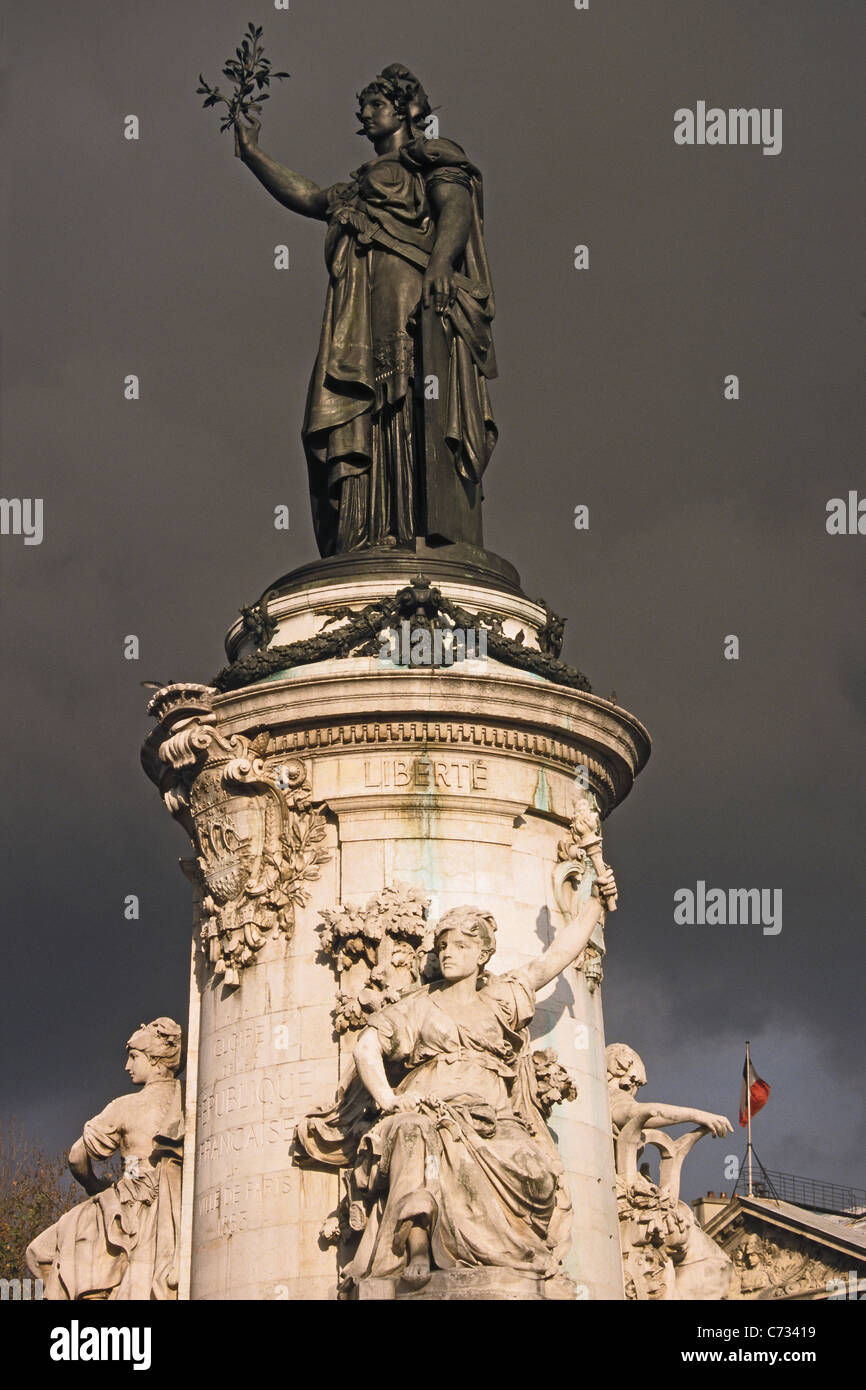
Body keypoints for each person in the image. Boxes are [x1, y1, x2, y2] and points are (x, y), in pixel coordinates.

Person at [297, 850, 617, 1292]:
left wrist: (595, 905)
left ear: (483, 954)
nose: (448, 954)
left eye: (461, 946)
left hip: (493, 1118)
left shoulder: (503, 998)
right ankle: (417, 1247)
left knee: (536, 1171)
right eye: (443, 946)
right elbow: (366, 1046)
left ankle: (514, 1264)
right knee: (413, 1132)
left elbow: (554, 959)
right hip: (429, 1110)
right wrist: (389, 1100)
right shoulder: (417, 1007)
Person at [235, 63, 497, 556]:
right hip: (356, 304)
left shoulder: (431, 158)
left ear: (404, 110)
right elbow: (310, 196)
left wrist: (440, 264)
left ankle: (412, 523)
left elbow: (455, 209)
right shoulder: (356, 187)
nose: (365, 113)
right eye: (363, 107)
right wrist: (252, 154)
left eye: (375, 104)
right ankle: (369, 531)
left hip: (405, 288)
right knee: (361, 403)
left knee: (404, 392)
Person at [26, 1018, 184, 1300]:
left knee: (44, 1250)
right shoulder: (189, 1100)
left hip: (131, 1204)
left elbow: (76, 1156)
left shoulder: (126, 1106)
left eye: (134, 1057)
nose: (128, 1066)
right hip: (177, 1206)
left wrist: (92, 1184)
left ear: (155, 1060)